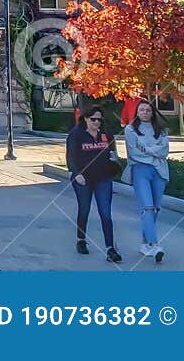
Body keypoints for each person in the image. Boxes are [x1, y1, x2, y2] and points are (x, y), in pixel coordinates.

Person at [66, 107, 122, 263]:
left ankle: (110, 249)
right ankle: (81, 239)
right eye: (93, 119)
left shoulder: (105, 133)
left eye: (99, 119)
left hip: (103, 177)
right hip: (83, 178)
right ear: (85, 119)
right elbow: (71, 157)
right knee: (84, 209)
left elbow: (112, 153)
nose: (97, 122)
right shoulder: (76, 134)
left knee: (105, 212)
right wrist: (77, 173)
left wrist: (114, 165)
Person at [123, 99, 170, 263]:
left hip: (159, 171)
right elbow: (134, 153)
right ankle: (154, 244)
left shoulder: (161, 130)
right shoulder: (130, 130)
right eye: (142, 110)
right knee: (147, 208)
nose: (145, 113)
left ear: (152, 112)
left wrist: (148, 150)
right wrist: (154, 151)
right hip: (140, 170)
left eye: (148, 110)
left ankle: (145, 244)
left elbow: (165, 151)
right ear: (137, 111)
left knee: (155, 208)